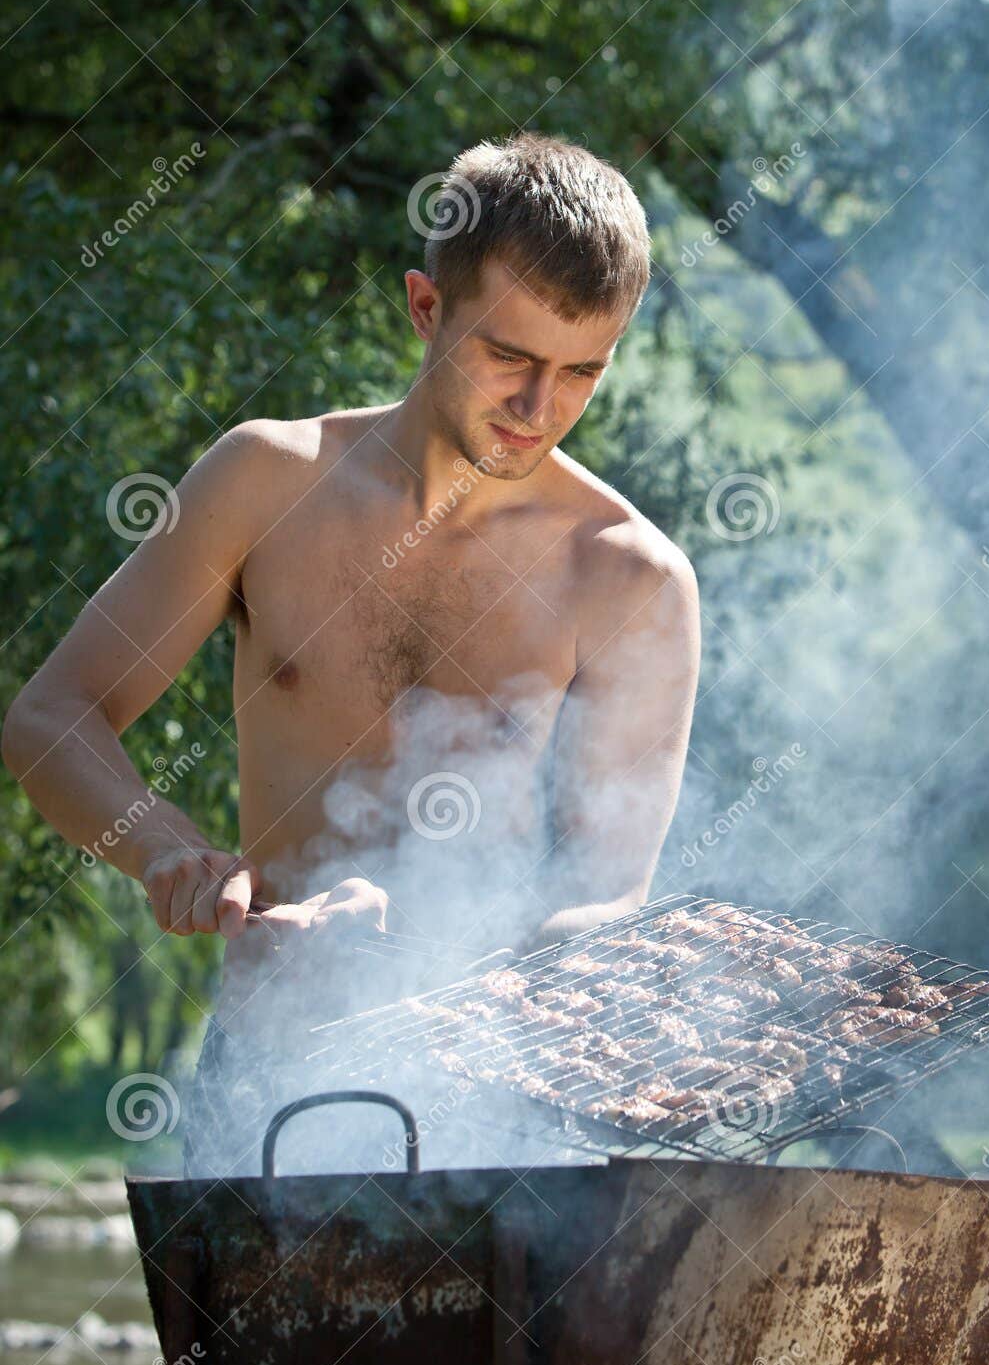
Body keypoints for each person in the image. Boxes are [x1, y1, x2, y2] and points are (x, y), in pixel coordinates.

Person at [3, 131, 700, 1172]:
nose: (538, 410)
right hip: (262, 1072)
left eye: (580, 373)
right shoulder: (264, 480)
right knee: (232, 1343)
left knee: (484, 1350)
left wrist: (416, 941)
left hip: (494, 1106)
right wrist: (171, 851)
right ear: (427, 309)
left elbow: (603, 903)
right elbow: (53, 716)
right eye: (509, 357)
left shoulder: (631, 577)